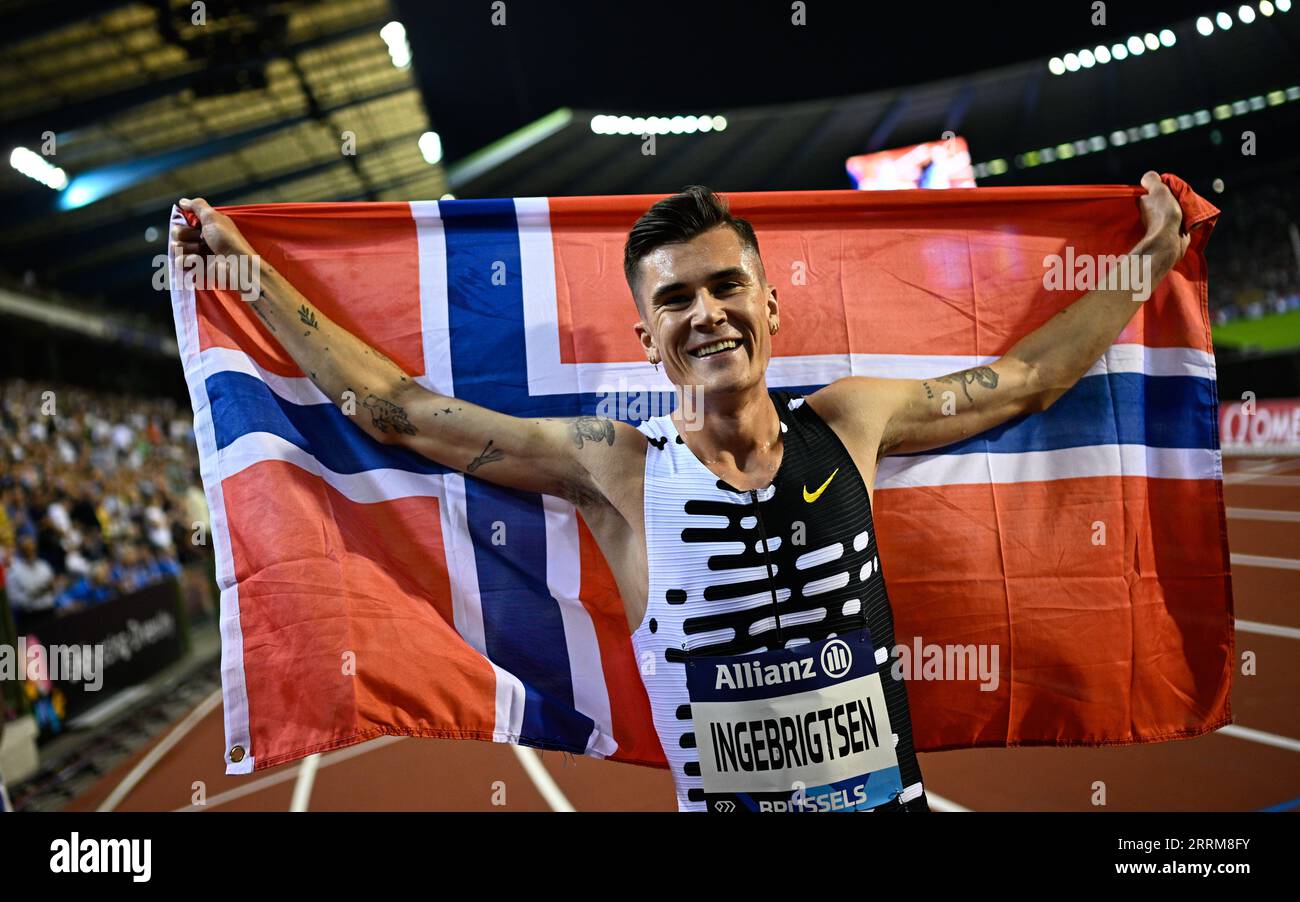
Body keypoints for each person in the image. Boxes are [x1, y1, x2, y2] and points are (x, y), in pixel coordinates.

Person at [171, 172, 1190, 812]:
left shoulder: (851, 420)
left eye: (725, 285)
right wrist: (251, 278)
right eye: (675, 299)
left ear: (770, 305)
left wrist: (1142, 265)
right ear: (645, 335)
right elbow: (399, 412)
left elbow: (1027, 380)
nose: (706, 314)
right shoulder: (615, 466)